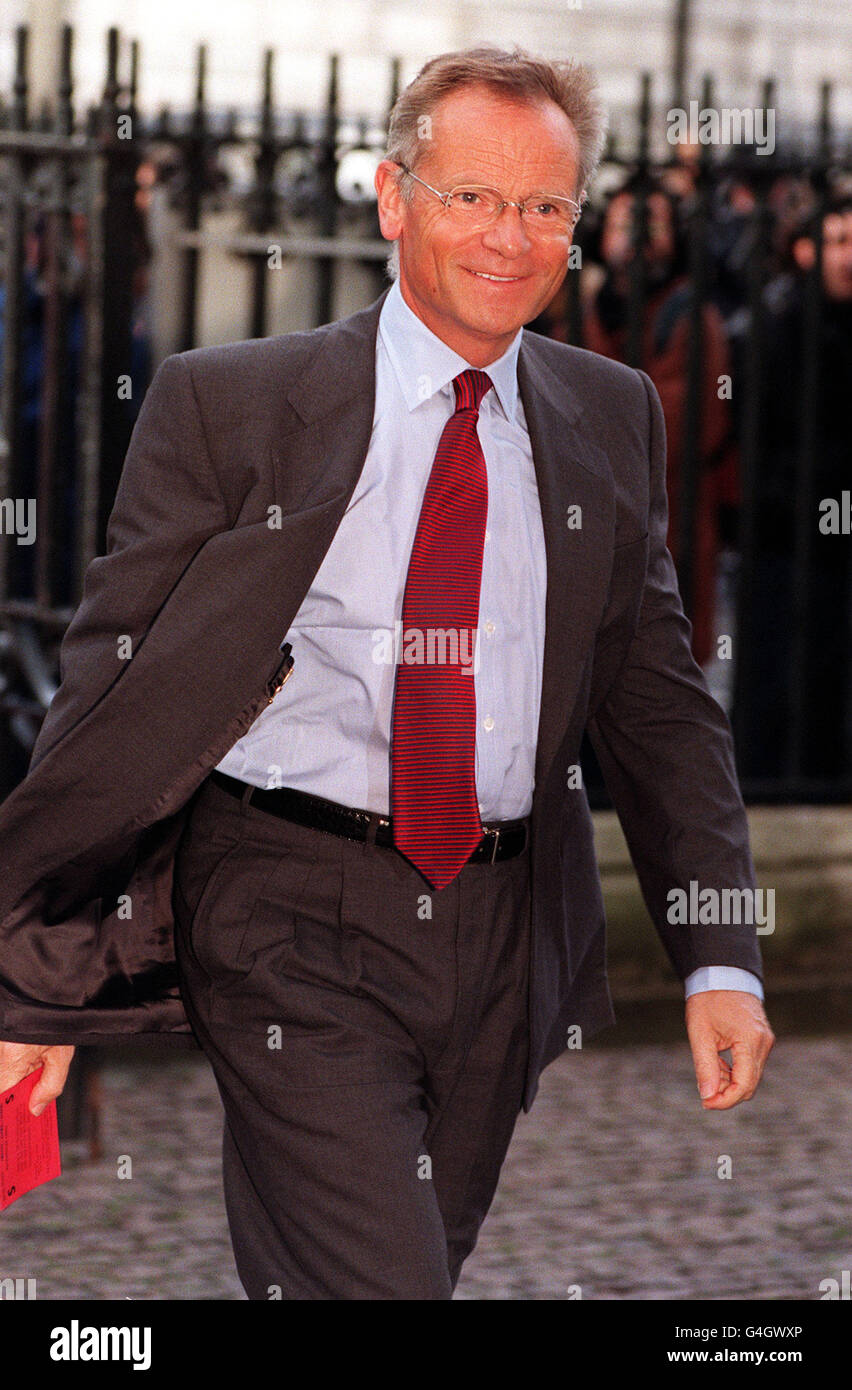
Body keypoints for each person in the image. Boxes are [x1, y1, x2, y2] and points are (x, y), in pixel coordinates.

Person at [0, 46, 774, 1300]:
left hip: (503, 929)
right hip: (285, 912)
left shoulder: (611, 415)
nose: (510, 238)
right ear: (392, 196)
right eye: (472, 195)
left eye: (544, 206)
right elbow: (112, 697)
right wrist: (29, 969)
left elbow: (660, 708)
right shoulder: (233, 406)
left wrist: (723, 953)